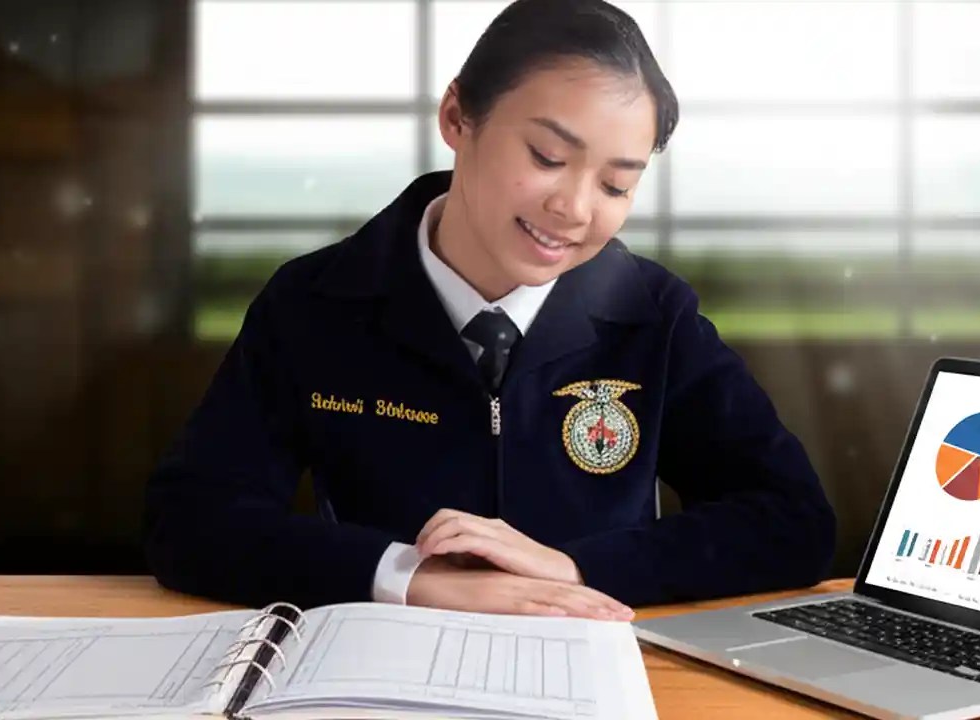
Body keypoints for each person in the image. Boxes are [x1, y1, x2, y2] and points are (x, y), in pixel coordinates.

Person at [143, 0, 835, 621]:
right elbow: (192, 519)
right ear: (457, 118)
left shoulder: (654, 316)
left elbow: (792, 522)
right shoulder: (314, 302)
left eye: (617, 184)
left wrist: (574, 570)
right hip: (378, 666)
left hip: (597, 663)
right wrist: (407, 578)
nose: (574, 208)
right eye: (547, 155)